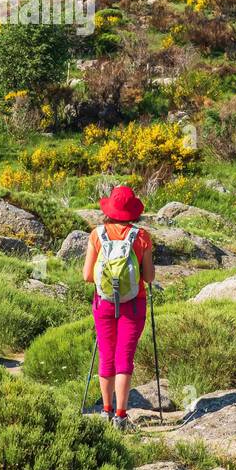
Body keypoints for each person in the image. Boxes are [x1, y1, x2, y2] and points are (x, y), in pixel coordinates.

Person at [82, 184, 154, 429]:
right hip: (134, 305)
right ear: (133, 211)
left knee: (106, 356)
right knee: (125, 358)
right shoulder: (141, 236)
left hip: (103, 303)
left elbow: (87, 276)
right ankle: (121, 417)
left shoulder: (96, 234)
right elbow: (149, 276)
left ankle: (105, 410)